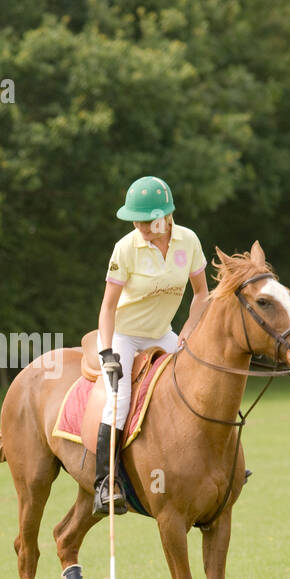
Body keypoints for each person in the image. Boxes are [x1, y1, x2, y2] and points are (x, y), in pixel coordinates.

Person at [95, 176, 209, 514]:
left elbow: (202, 293)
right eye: (136, 219)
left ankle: (220, 466)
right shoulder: (126, 248)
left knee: (201, 385)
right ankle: (105, 483)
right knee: (119, 400)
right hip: (125, 335)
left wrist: (188, 329)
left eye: (145, 220)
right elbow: (107, 307)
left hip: (163, 333)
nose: (139, 225)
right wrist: (107, 352)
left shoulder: (188, 241)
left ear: (165, 217)